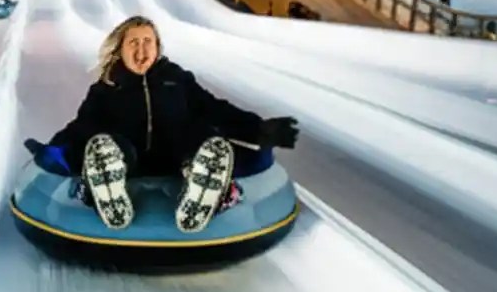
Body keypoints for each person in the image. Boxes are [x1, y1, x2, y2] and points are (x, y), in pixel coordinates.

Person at [26, 16, 299, 233]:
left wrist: (259, 129)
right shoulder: (106, 89)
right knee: (106, 142)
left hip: (176, 158)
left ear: (157, 48)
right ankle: (107, 187)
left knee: (201, 132)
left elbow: (215, 108)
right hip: (129, 163)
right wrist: (51, 150)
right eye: (133, 42)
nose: (141, 49)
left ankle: (204, 185)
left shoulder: (176, 80)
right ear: (120, 49)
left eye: (148, 41)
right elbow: (81, 127)